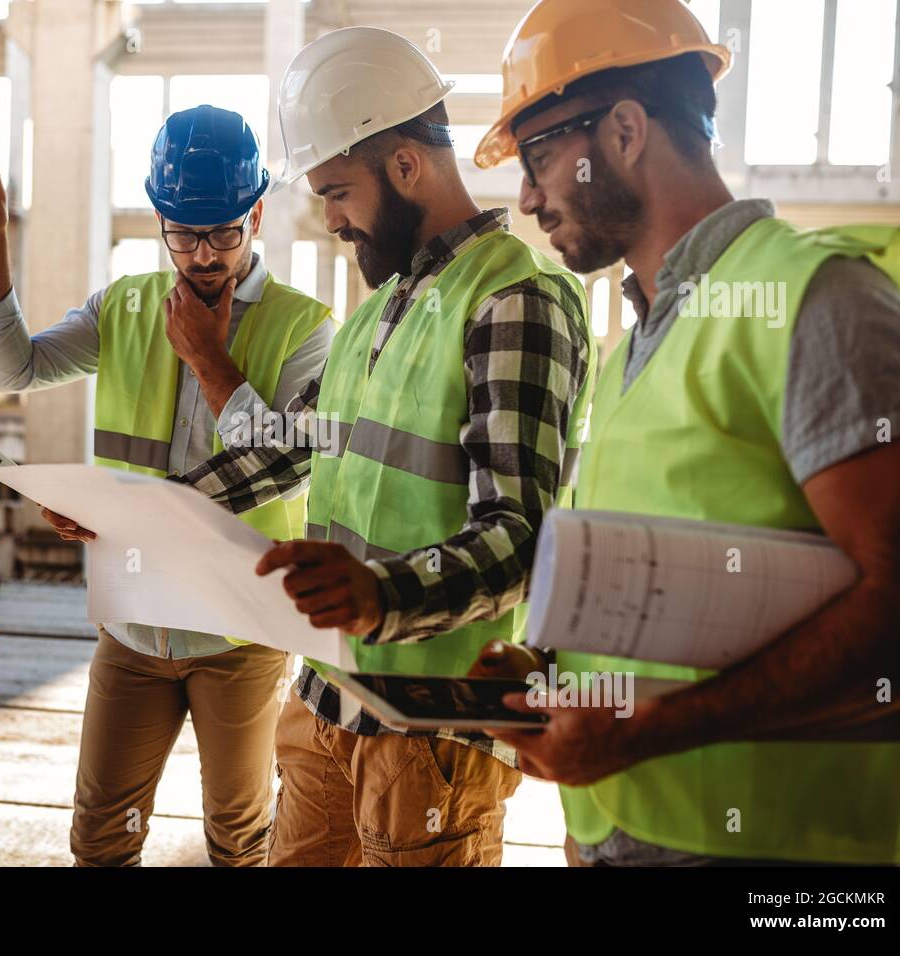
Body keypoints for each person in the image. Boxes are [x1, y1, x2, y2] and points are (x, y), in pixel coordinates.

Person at [472, 0, 900, 866]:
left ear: (624, 131)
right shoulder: (632, 350)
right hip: (622, 836)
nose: (527, 197)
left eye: (538, 157)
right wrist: (549, 670)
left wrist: (647, 734)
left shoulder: (816, 300)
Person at [176, 27, 594, 866]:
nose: (329, 220)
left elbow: (519, 539)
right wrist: (152, 508)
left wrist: (377, 596)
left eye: (337, 191)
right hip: (328, 702)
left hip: (433, 730)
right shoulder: (378, 308)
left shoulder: (515, 300)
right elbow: (294, 443)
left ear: (406, 165)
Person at [0, 105, 334, 866]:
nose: (203, 253)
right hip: (133, 633)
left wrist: (212, 364)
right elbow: (14, 368)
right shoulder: (122, 307)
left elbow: (292, 459)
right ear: (160, 221)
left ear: (256, 213)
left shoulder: (305, 329)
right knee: (100, 837)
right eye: (184, 232)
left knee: (240, 836)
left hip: (240, 636)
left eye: (224, 230)